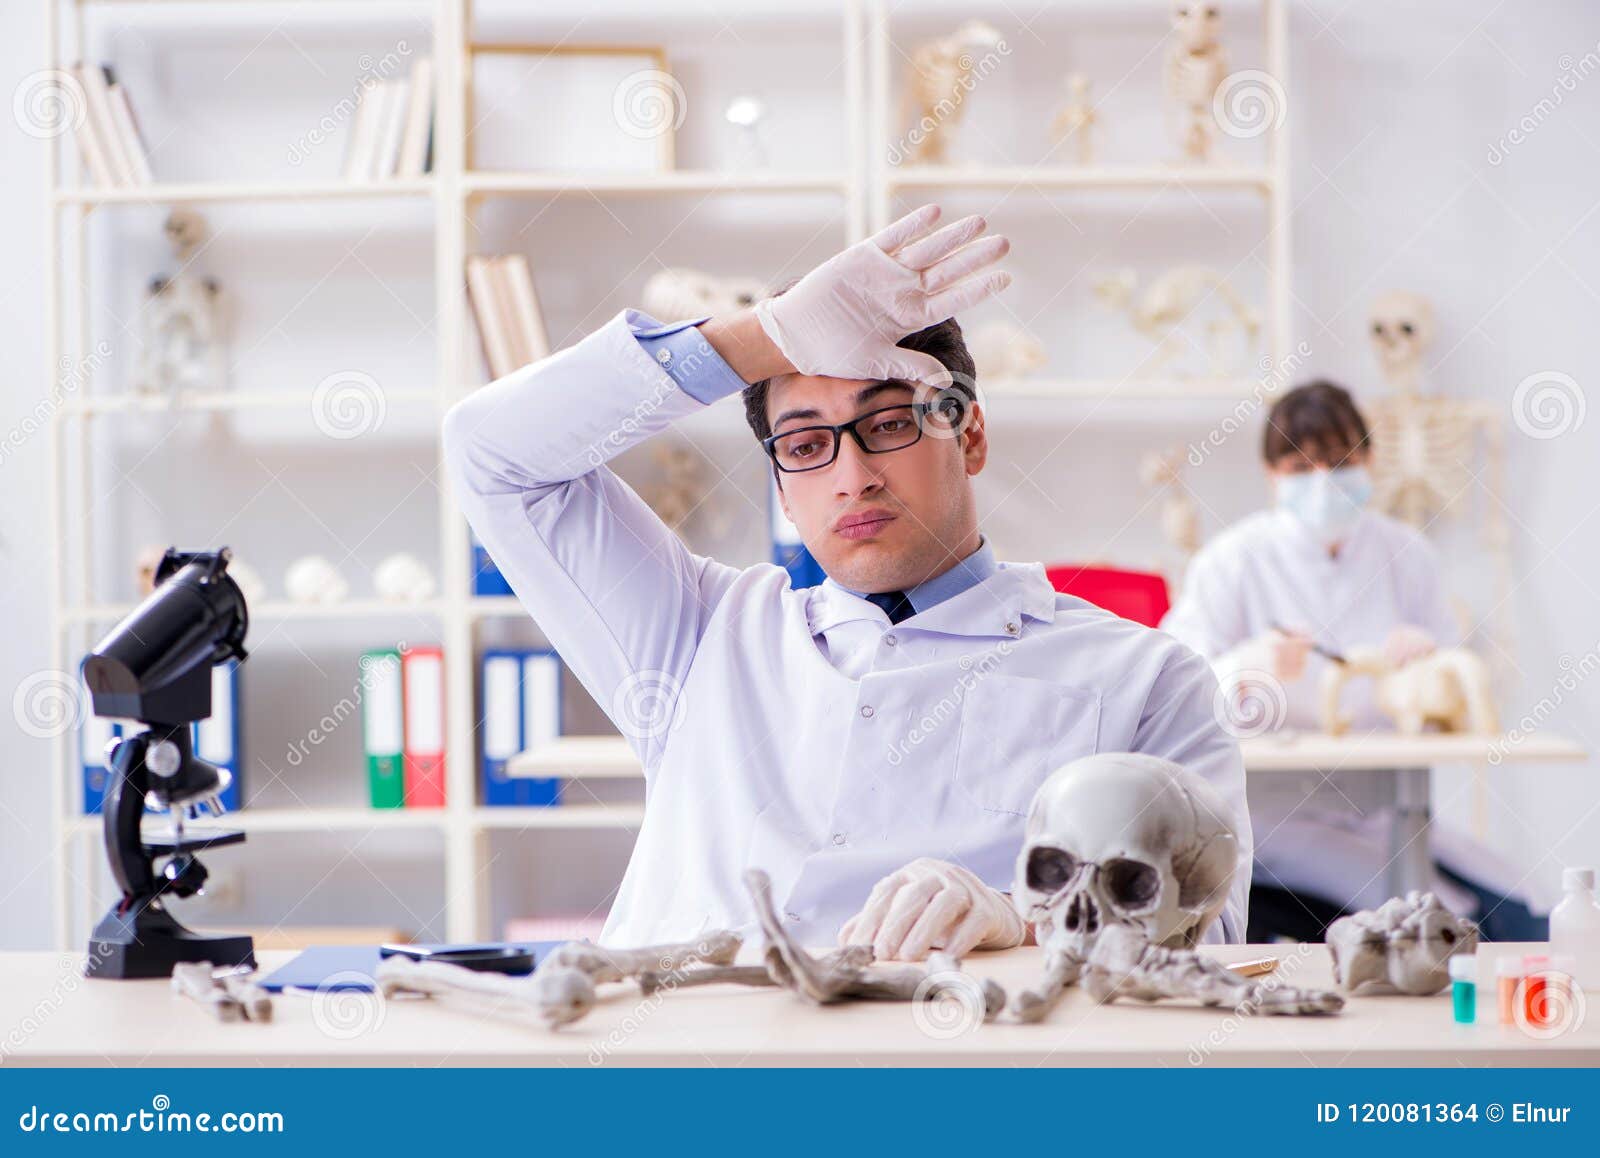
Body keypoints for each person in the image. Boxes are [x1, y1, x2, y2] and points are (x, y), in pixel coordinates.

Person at [443, 205, 1251, 959]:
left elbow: (1209, 943)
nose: (852, 477)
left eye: (890, 424)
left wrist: (1020, 919)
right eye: (804, 446)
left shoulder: (1148, 678)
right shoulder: (697, 632)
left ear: (969, 435)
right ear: (781, 485)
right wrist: (765, 338)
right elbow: (490, 451)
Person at [1161, 380, 1542, 941]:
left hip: (1386, 805)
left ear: (1369, 460)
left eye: (1341, 462)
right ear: (1271, 474)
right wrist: (1250, 665)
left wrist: (1429, 662)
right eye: (1301, 466)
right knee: (1444, 919)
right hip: (1273, 819)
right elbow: (1179, 690)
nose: (1323, 482)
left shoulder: (1405, 552)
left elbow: (1458, 690)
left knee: (1519, 908)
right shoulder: (1232, 560)